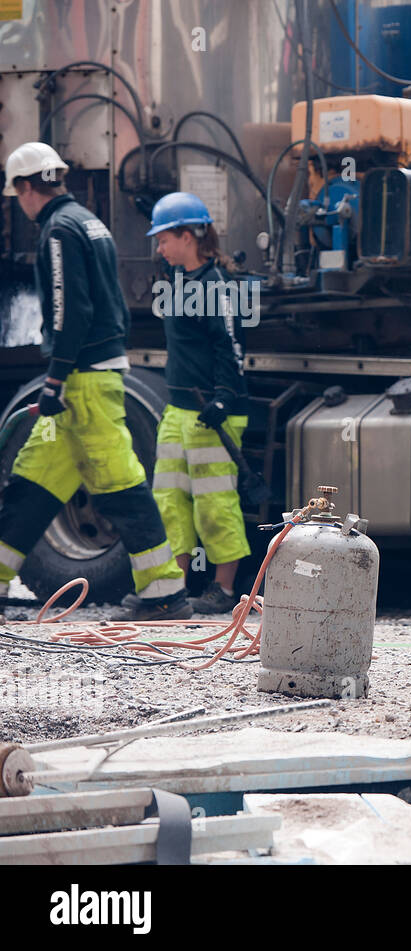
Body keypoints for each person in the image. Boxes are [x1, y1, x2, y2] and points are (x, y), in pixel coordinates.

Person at [0, 142, 190, 620]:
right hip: (88, 380)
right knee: (31, 482)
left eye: (16, 193)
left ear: (26, 187)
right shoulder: (88, 221)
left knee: (121, 487)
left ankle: (164, 594)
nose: (18, 203)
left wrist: (55, 378)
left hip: (82, 383)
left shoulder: (59, 231)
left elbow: (70, 310)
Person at [146, 192, 251, 614]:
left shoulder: (217, 286)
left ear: (188, 236)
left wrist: (225, 398)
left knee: (213, 501)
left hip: (212, 411)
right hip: (178, 410)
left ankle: (224, 589)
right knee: (169, 500)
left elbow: (230, 346)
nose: (159, 247)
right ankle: (176, 588)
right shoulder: (178, 281)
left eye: (164, 239)